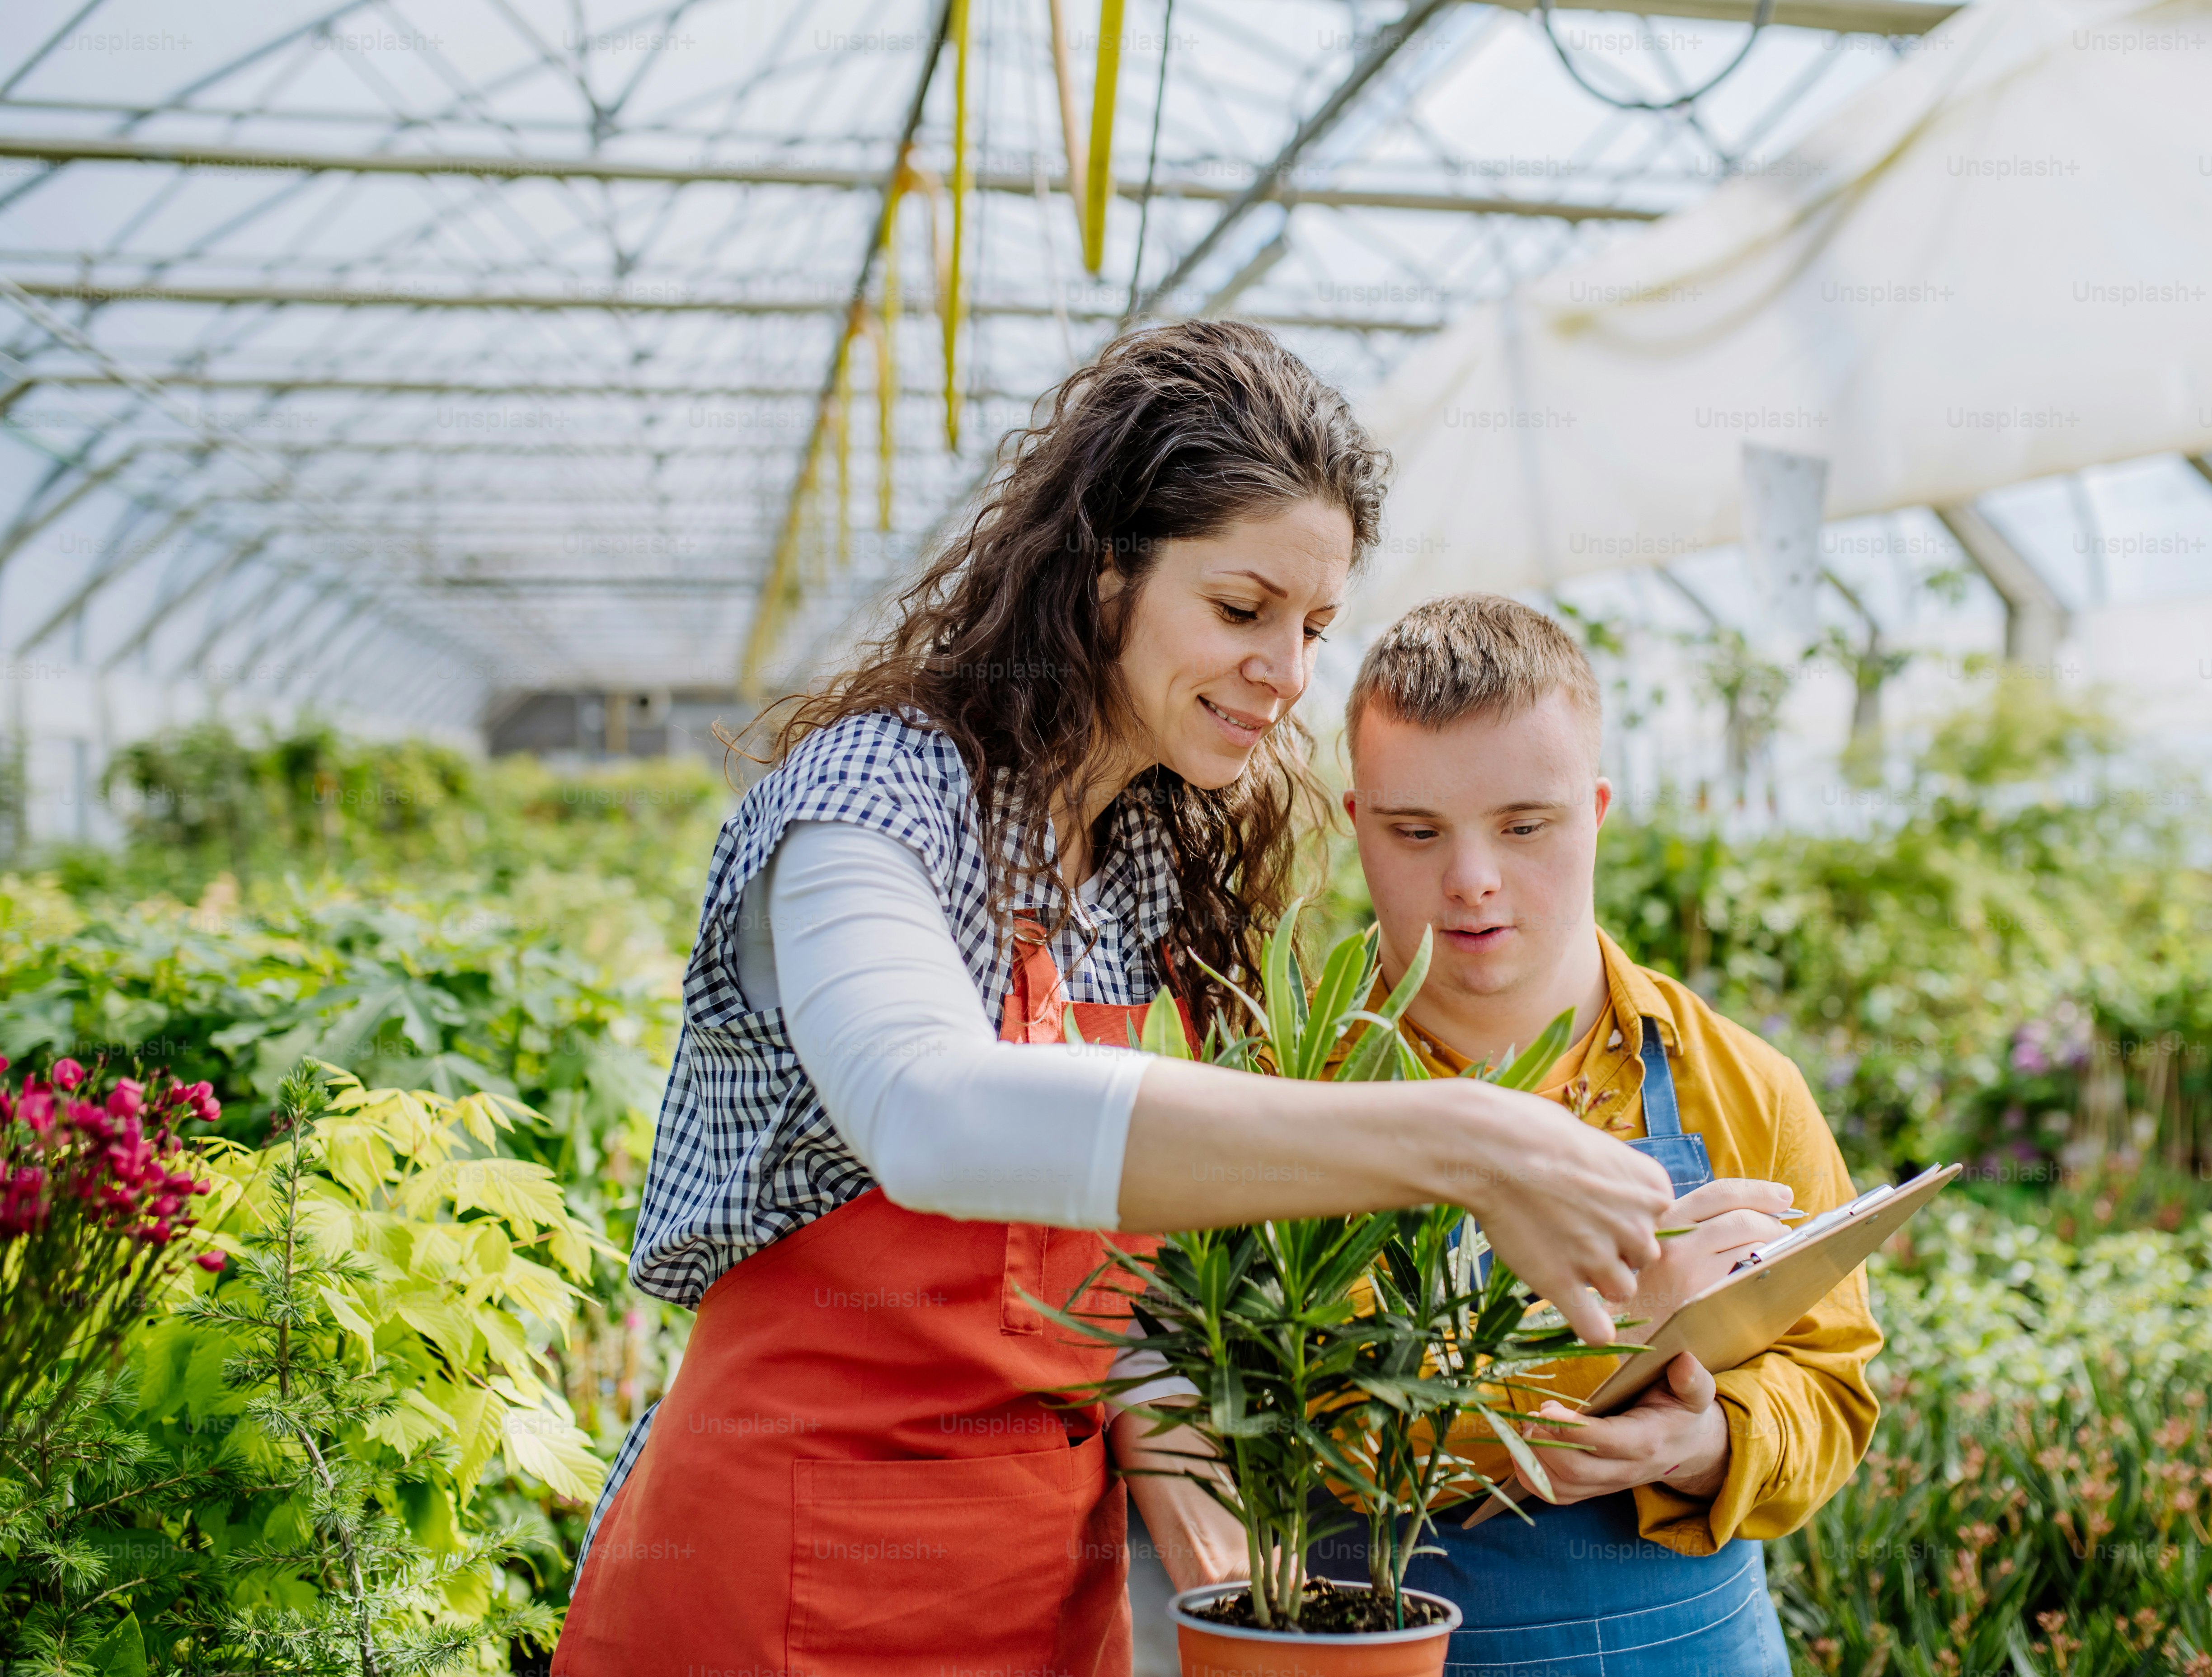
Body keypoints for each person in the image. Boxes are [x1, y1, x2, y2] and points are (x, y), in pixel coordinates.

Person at [549, 328, 1678, 1677]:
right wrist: (1463, 1142)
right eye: (1244, 609)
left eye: (1314, 628)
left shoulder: (1149, 859)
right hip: (798, 1570)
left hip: (1044, 1588)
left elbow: (1102, 1288)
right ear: (1100, 579)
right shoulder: (873, 800)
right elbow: (932, 1115)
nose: (1288, 672)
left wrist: (1218, 1564)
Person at [1276, 594, 1878, 1672]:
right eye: (1417, 832)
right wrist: (1615, 1324)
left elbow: (1833, 1383)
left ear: (1596, 808)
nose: (1472, 882)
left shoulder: (1743, 1085)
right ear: (1356, 820)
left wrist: (1713, 1442)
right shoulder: (1284, 1089)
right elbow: (1303, 1406)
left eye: (1524, 825)